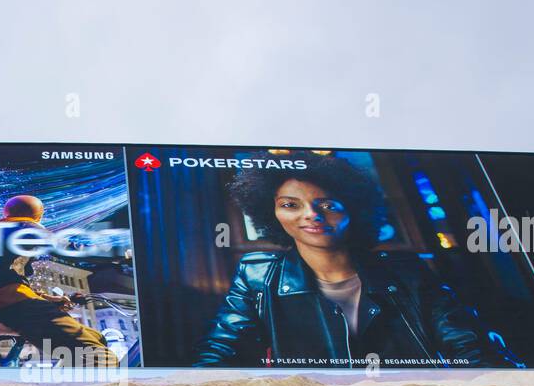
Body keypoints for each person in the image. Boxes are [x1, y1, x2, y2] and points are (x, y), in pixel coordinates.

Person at [195, 154, 490, 368]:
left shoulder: (406, 271)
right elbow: (221, 351)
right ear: (271, 213)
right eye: (290, 205)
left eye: (326, 204)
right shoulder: (257, 275)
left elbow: (469, 346)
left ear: (353, 210)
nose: (311, 214)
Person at [0, 194, 118, 367]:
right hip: (8, 304)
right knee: (101, 357)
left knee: (96, 337)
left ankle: (59, 382)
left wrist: (49, 300)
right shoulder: (24, 225)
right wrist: (112, 247)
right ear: (37, 215)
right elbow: (65, 245)